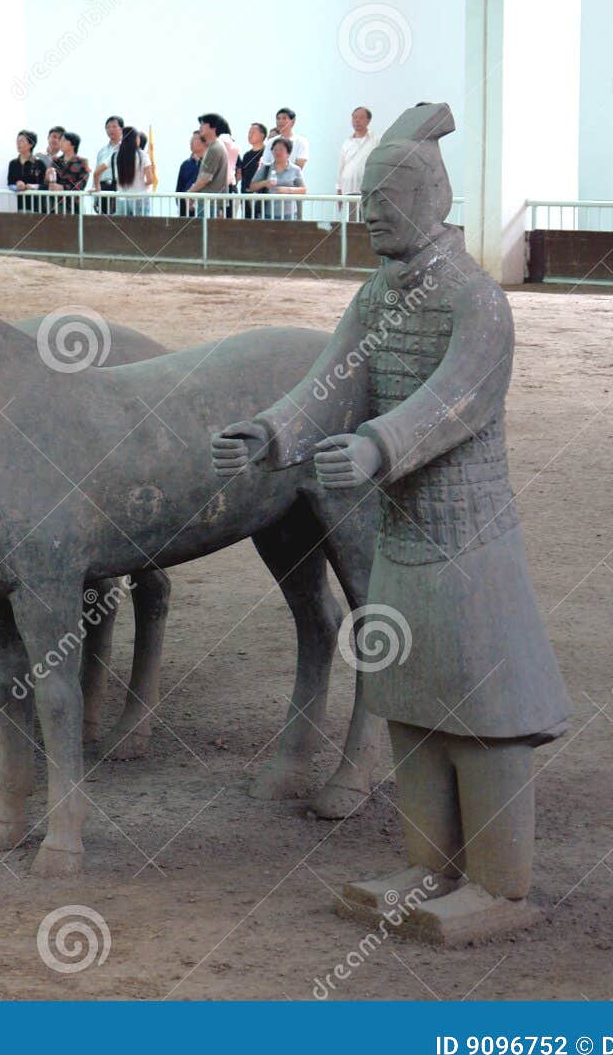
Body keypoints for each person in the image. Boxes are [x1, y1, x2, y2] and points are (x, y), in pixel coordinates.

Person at [212, 102, 568, 942]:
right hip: (406, 538)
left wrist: (376, 446)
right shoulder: (377, 296)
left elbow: (459, 400)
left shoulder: (478, 301)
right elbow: (330, 382)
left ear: (433, 196)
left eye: (390, 192)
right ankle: (429, 861)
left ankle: (498, 882)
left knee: (483, 708)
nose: (371, 209)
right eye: (368, 194)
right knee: (409, 698)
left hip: (470, 543)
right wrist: (275, 431)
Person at [185, 113, 230, 217]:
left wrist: (190, 193)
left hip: (210, 203)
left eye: (203, 124)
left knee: (206, 232)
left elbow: (205, 178)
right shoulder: (213, 147)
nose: (200, 127)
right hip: (209, 203)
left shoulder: (215, 148)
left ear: (213, 127)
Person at [336, 106, 377, 220]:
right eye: (354, 118)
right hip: (349, 188)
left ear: (368, 120)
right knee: (352, 224)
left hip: (368, 189)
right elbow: (341, 167)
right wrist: (339, 190)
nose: (357, 120)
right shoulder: (347, 142)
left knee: (368, 221)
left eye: (360, 118)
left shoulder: (376, 140)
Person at [251, 137, 306, 218]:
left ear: (288, 153)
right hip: (267, 213)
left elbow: (303, 190)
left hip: (289, 214)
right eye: (275, 150)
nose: (277, 152)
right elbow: (252, 187)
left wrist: (288, 190)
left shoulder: (295, 169)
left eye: (281, 149)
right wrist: (265, 183)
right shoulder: (266, 168)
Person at [44, 129, 89, 214]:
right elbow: (48, 183)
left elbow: (82, 184)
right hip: (54, 203)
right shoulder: (55, 161)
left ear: (72, 144)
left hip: (73, 205)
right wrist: (47, 178)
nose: (60, 142)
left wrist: (62, 188)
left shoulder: (82, 162)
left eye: (64, 140)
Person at [112, 126, 153, 216]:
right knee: (142, 228)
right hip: (140, 197)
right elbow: (150, 179)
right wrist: (142, 185)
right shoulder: (142, 155)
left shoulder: (117, 155)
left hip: (122, 197)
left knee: (121, 226)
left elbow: (113, 176)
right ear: (135, 139)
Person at [8, 130, 47, 212]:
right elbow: (10, 183)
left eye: (21, 141)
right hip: (21, 206)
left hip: (38, 207)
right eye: (17, 141)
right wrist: (17, 186)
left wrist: (34, 186)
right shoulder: (13, 163)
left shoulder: (39, 163)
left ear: (31, 144)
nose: (18, 144)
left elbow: (45, 185)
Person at [92, 114, 124, 215]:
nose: (111, 130)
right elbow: (97, 172)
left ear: (122, 129)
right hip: (103, 187)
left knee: (119, 219)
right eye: (108, 127)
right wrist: (95, 196)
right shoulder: (102, 151)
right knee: (103, 220)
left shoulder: (125, 149)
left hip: (119, 187)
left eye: (114, 126)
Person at [237, 121, 267, 217]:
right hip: (246, 196)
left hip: (261, 197)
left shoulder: (267, 154)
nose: (249, 135)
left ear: (262, 135)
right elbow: (243, 176)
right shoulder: (246, 155)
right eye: (249, 132)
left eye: (253, 132)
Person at [174, 133, 204, 217]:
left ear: (203, 142)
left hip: (201, 205)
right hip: (185, 206)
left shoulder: (208, 163)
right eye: (191, 140)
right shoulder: (185, 164)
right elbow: (179, 188)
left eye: (194, 139)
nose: (191, 142)